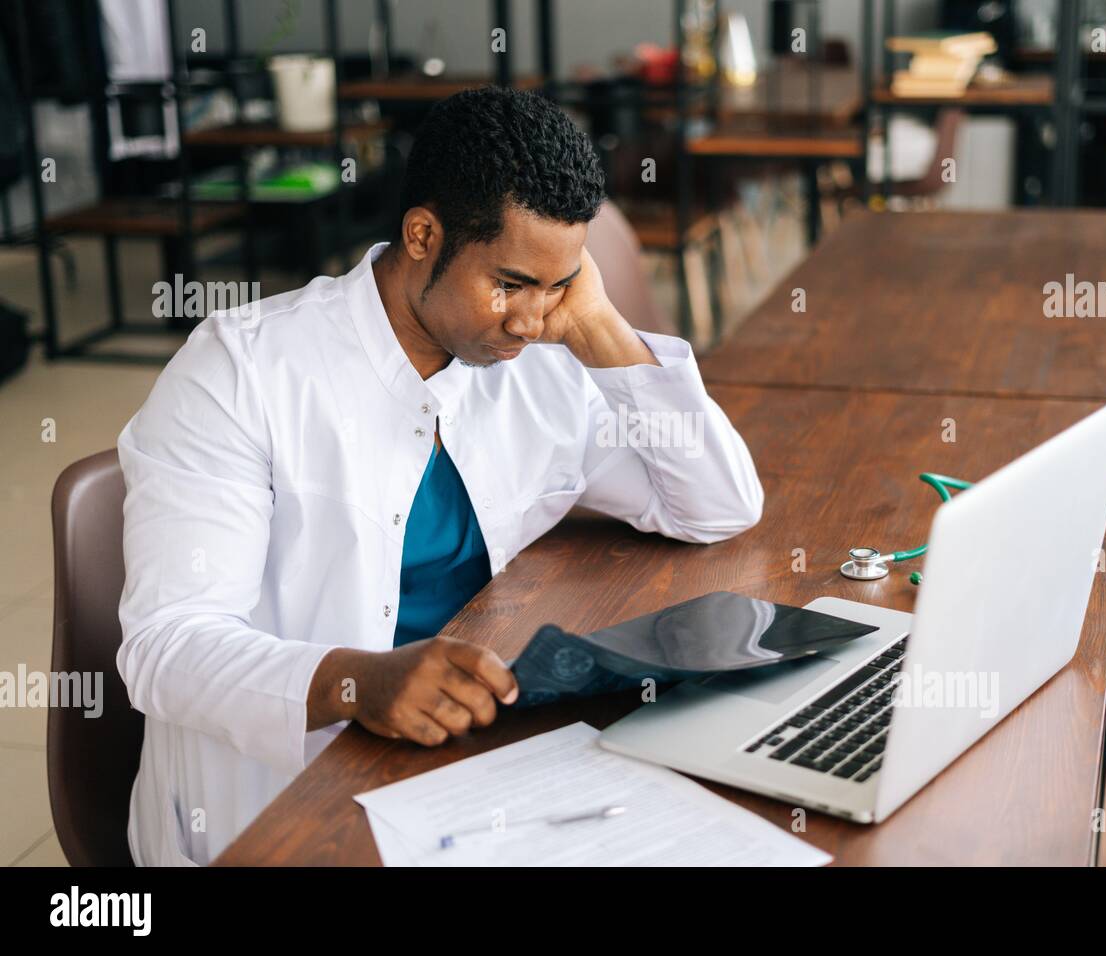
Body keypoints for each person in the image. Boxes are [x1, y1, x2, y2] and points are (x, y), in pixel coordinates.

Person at [116, 86, 764, 865]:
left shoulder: (533, 360)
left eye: (559, 284)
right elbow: (166, 648)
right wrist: (360, 682)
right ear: (423, 234)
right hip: (278, 806)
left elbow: (715, 506)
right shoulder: (241, 371)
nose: (532, 320)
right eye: (511, 283)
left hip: (462, 772)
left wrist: (597, 324)